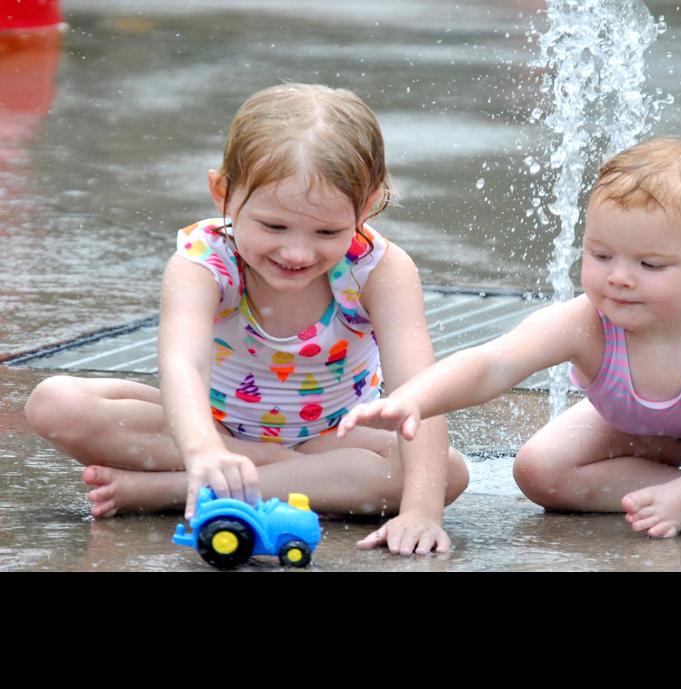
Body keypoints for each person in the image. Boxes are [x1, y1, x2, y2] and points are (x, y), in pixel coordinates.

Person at [340, 137, 681, 552]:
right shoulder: (587, 321)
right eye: (601, 255)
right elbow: (493, 363)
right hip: (653, 437)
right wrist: (416, 398)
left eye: (651, 264)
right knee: (540, 469)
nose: (619, 277)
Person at [25, 83, 467, 555]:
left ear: (369, 202)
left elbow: (419, 392)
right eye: (273, 226)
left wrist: (421, 510)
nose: (296, 251)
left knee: (446, 473)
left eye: (327, 231)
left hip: (329, 439)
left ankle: (175, 490)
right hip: (208, 426)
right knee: (55, 404)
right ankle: (247, 472)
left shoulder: (377, 269)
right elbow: (184, 367)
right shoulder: (205, 261)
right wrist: (202, 449)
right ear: (224, 193)